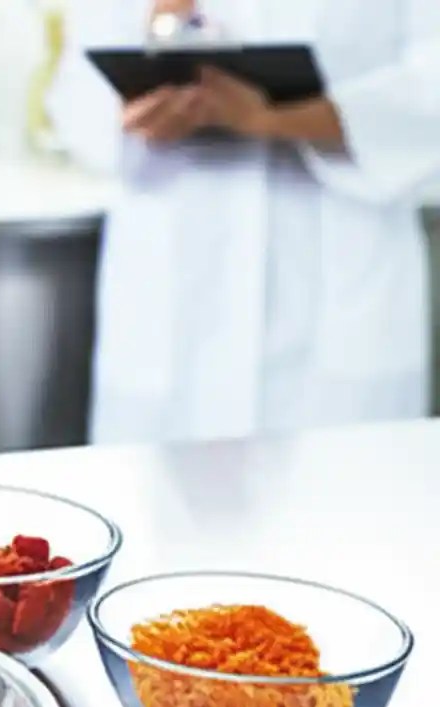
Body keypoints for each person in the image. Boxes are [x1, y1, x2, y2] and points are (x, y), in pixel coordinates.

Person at [49, 0, 440, 444]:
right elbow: (77, 101)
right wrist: (161, 39)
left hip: (341, 286)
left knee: (348, 501)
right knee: (154, 504)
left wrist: (274, 119)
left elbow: (432, 88)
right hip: (169, 288)